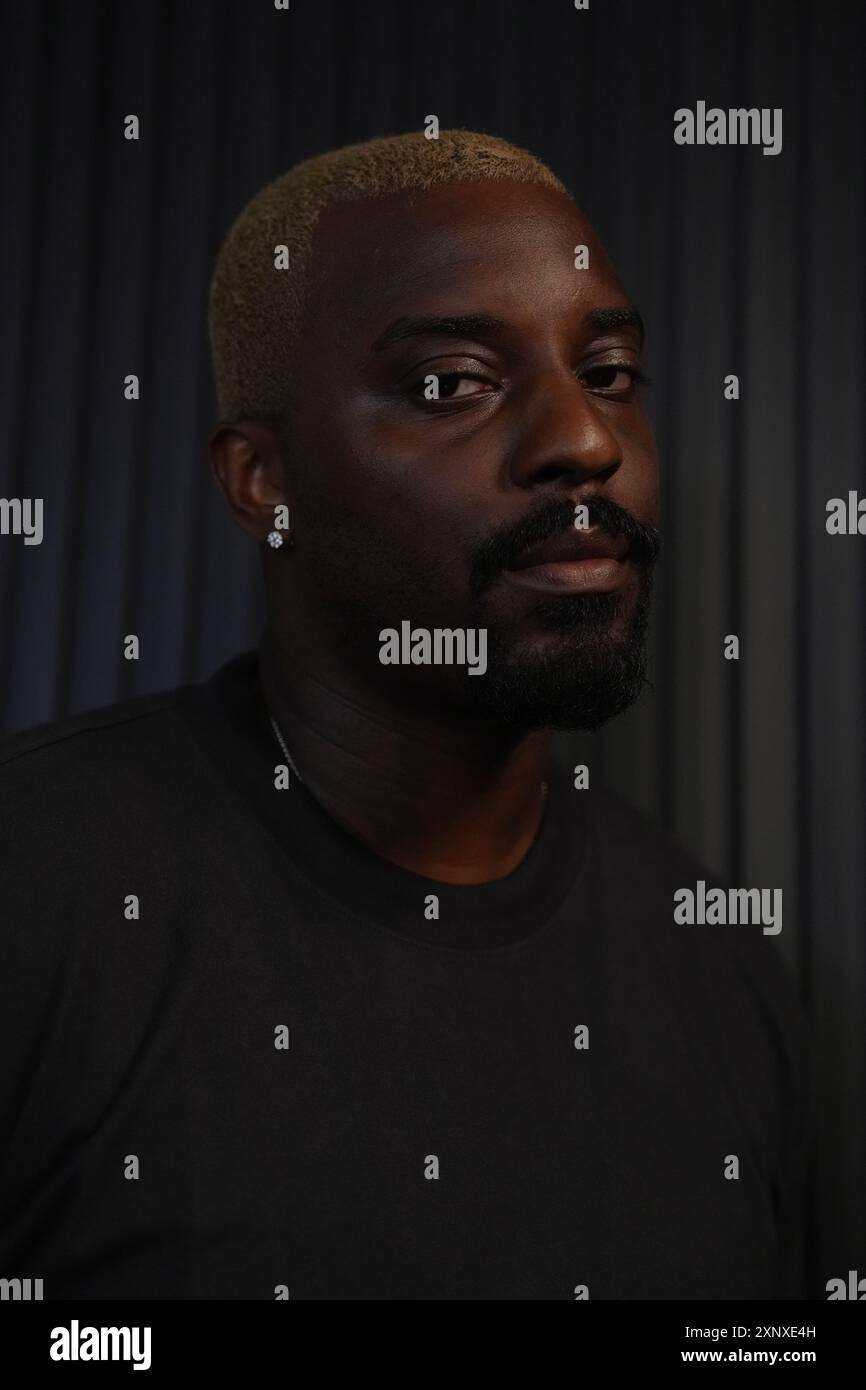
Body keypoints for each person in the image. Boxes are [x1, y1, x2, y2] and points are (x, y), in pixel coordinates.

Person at [0, 129, 812, 1300]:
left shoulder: (722, 980)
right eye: (450, 385)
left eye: (610, 375)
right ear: (262, 482)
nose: (583, 441)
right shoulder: (38, 891)